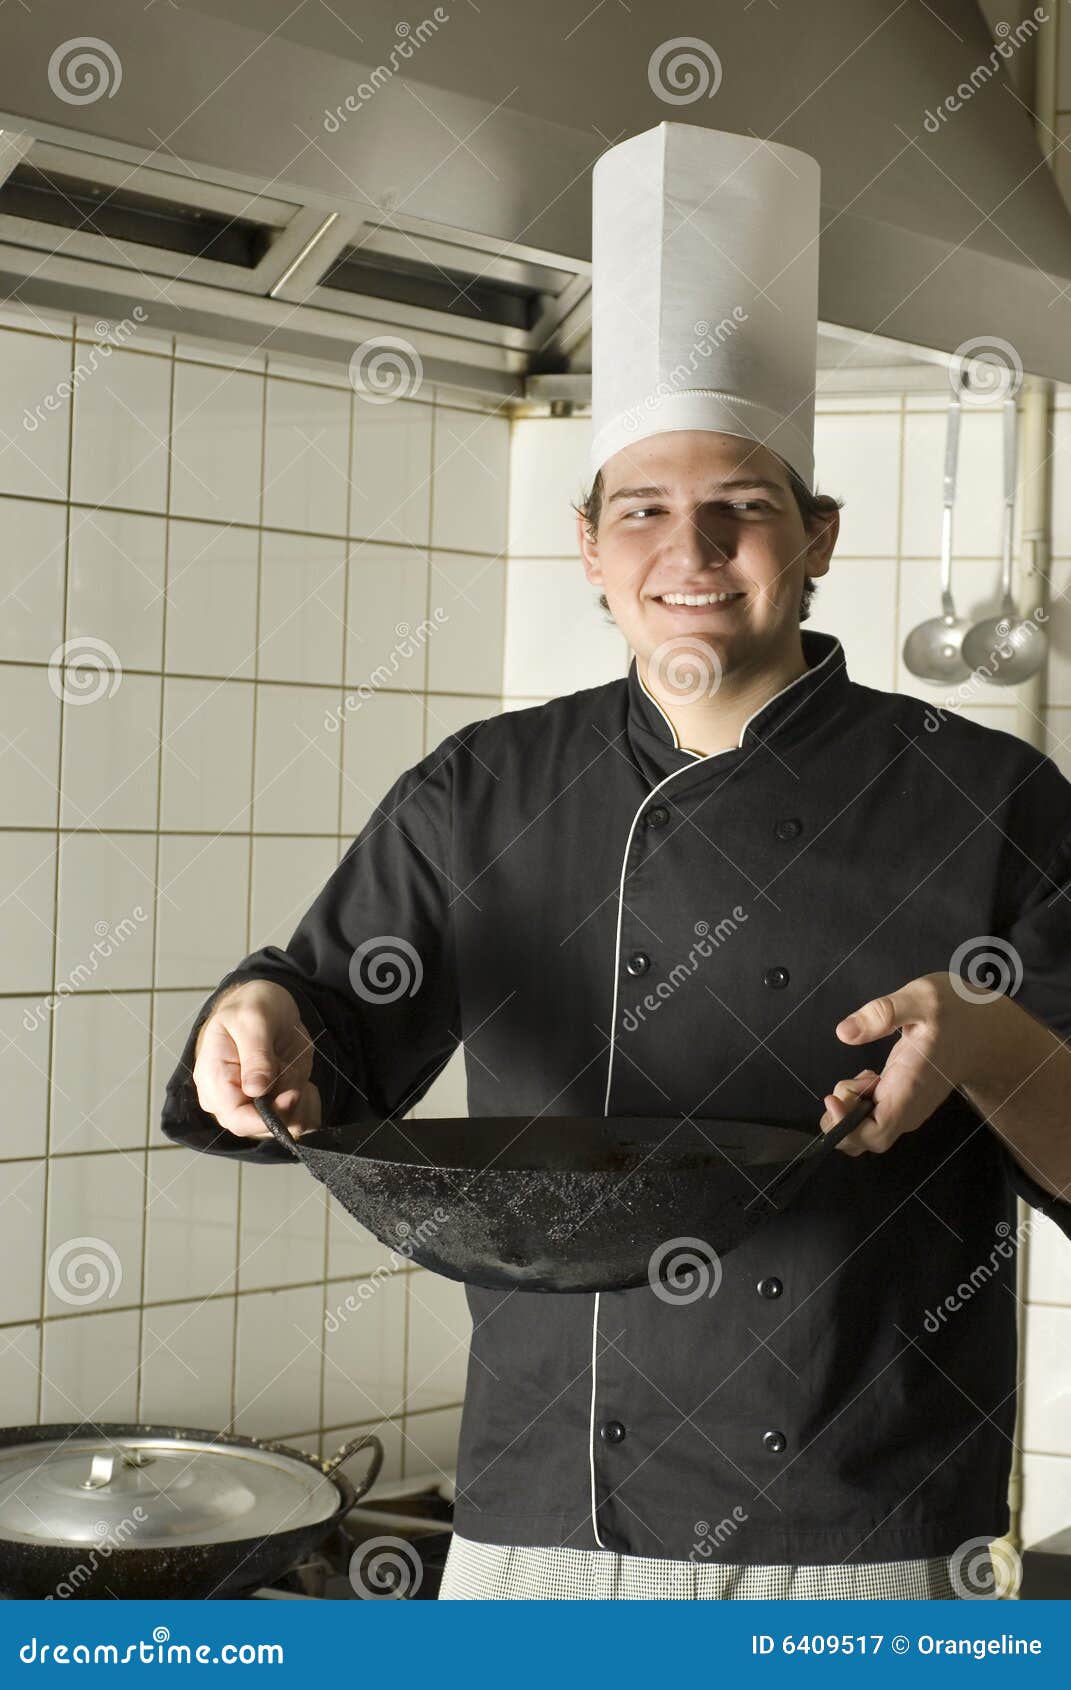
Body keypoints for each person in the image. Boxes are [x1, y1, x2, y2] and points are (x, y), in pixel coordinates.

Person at [162, 124, 1071, 1600]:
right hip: (534, 1521)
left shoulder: (990, 800)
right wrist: (251, 1018)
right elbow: (321, 1050)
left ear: (820, 536)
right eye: (642, 509)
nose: (690, 547)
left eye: (744, 507)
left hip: (864, 1531)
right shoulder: (483, 788)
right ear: (588, 548)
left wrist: (984, 1039)